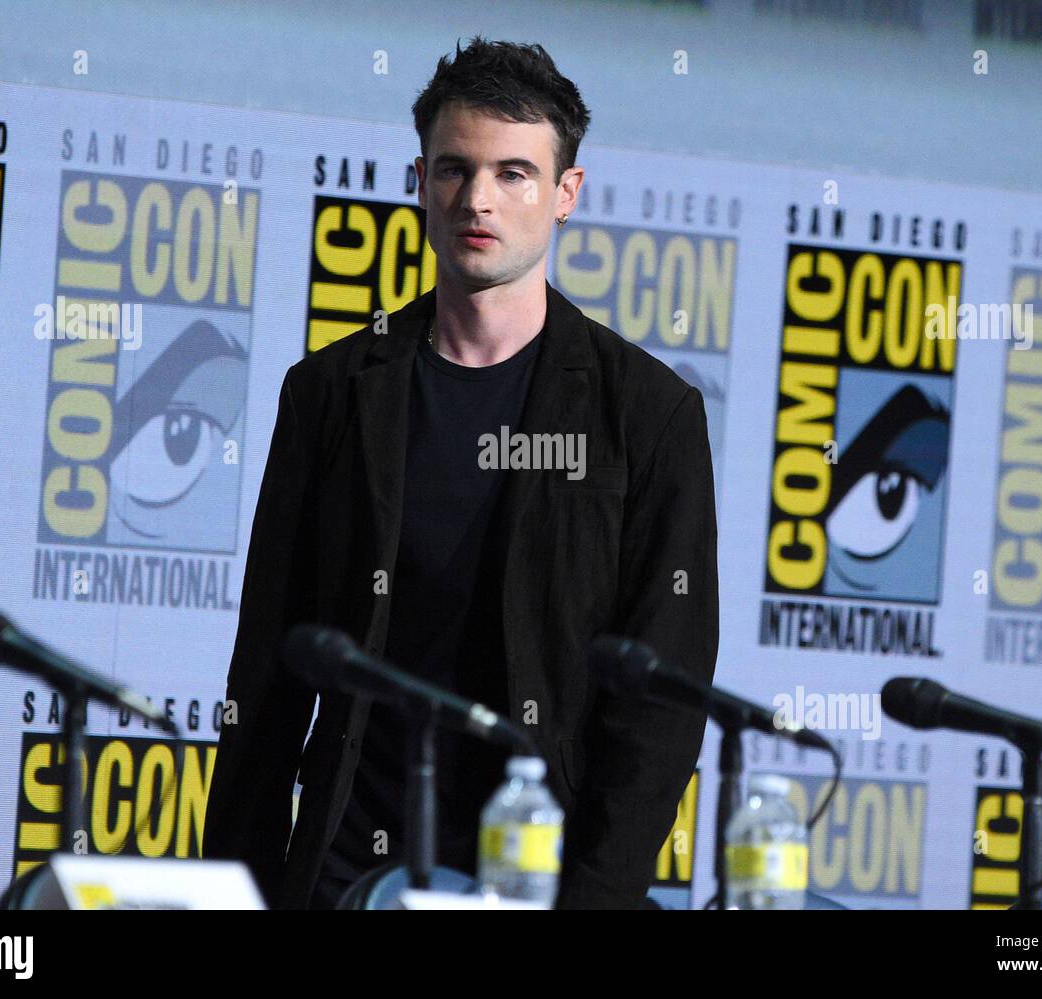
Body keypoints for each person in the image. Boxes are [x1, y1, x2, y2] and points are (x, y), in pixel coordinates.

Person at [203, 35, 718, 910]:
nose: (477, 199)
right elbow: (267, 673)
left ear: (566, 195)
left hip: (537, 874)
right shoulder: (330, 393)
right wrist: (237, 892)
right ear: (420, 182)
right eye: (454, 169)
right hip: (345, 871)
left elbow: (660, 713)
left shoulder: (648, 414)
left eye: (513, 174)